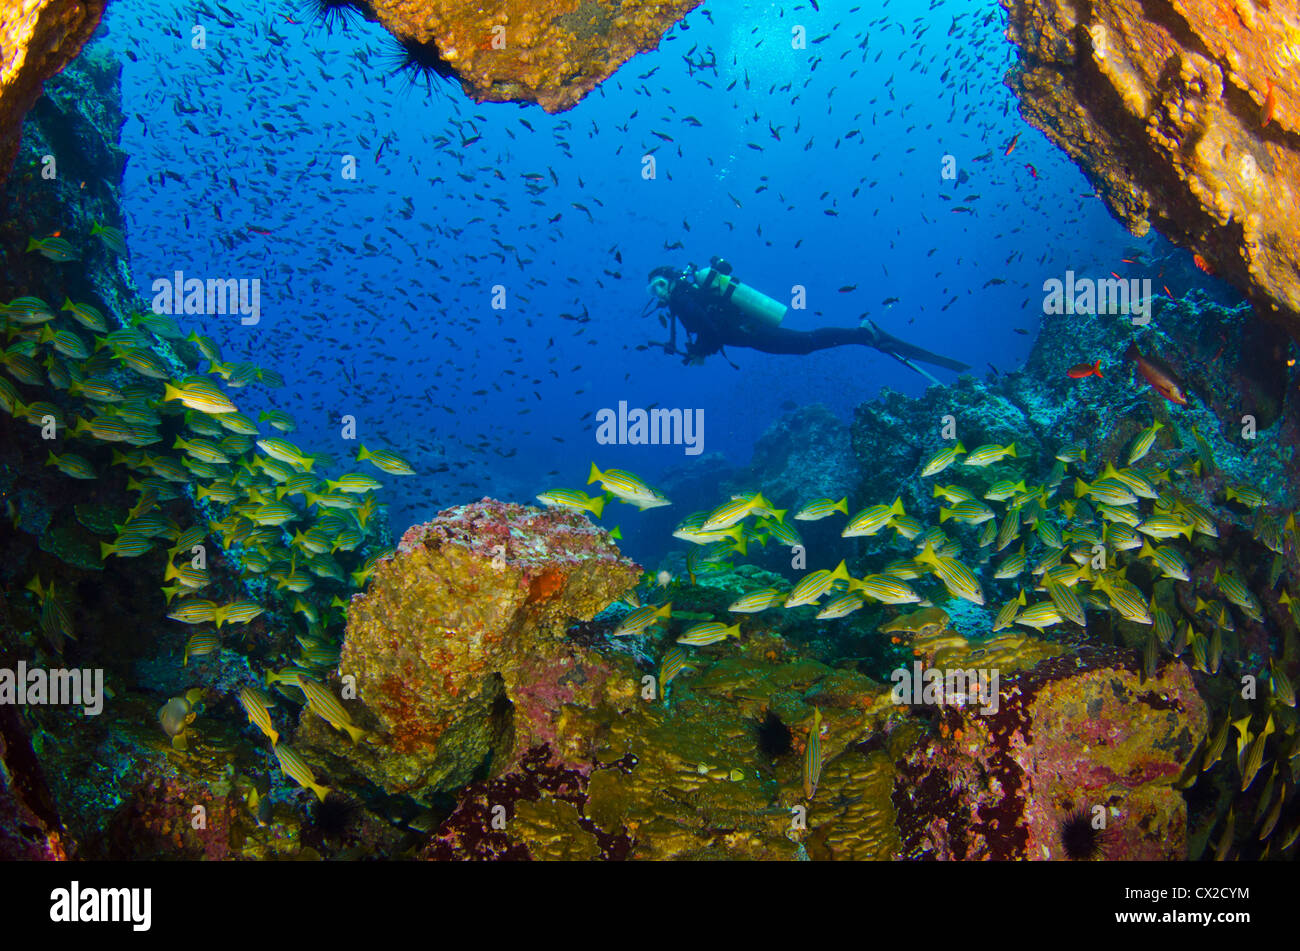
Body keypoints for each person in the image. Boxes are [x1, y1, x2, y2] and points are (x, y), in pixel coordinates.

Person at [644, 257, 970, 382]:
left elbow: (711, 329)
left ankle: (865, 333)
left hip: (750, 332)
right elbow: (710, 326)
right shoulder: (683, 300)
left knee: (806, 342)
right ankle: (864, 335)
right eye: (652, 287)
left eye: (660, 284)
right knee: (805, 343)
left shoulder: (684, 301)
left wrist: (701, 351)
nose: (657, 292)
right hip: (748, 333)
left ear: (672, 281)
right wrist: (704, 345)